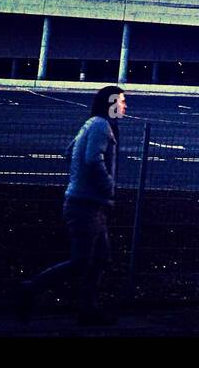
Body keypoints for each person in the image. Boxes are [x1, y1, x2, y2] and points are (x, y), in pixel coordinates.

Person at [17, 85, 126, 325]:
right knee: (82, 262)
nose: (124, 106)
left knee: (100, 259)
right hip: (86, 205)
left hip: (88, 202)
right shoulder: (101, 125)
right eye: (121, 101)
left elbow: (70, 152)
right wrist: (107, 186)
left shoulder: (91, 124)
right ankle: (31, 288)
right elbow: (93, 158)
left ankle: (87, 309)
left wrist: (80, 179)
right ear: (111, 103)